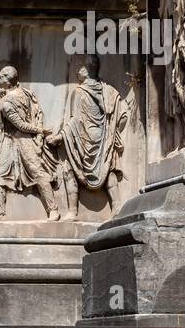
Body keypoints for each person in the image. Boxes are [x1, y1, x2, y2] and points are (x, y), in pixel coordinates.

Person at [46, 57, 128, 220]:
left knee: (70, 170)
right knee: (108, 169)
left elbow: (75, 120)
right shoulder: (109, 91)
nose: (77, 71)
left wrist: (59, 137)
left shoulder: (79, 92)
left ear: (89, 69)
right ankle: (117, 206)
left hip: (83, 138)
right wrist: (111, 130)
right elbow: (123, 116)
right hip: (103, 138)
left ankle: (72, 211)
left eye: (80, 68)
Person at [0, 66, 59, 221]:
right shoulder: (24, 92)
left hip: (21, 140)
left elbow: (20, 125)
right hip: (11, 141)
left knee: (38, 172)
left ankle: (53, 209)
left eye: (1, 77)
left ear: (7, 79)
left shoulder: (6, 103)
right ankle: (0, 214)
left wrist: (39, 130)